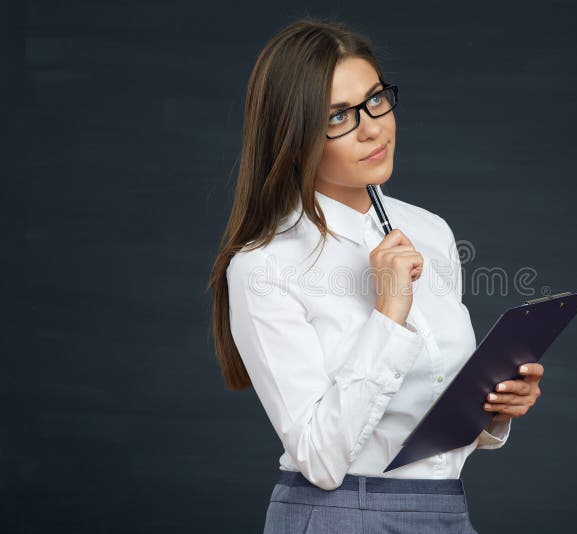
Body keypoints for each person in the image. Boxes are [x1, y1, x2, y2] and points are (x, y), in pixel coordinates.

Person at [207, 18, 544, 533]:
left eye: (375, 100)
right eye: (338, 116)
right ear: (295, 139)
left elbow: (426, 413)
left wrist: (497, 408)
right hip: (341, 513)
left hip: (446, 509)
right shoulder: (265, 265)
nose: (372, 127)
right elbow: (319, 459)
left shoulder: (429, 231)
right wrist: (389, 313)